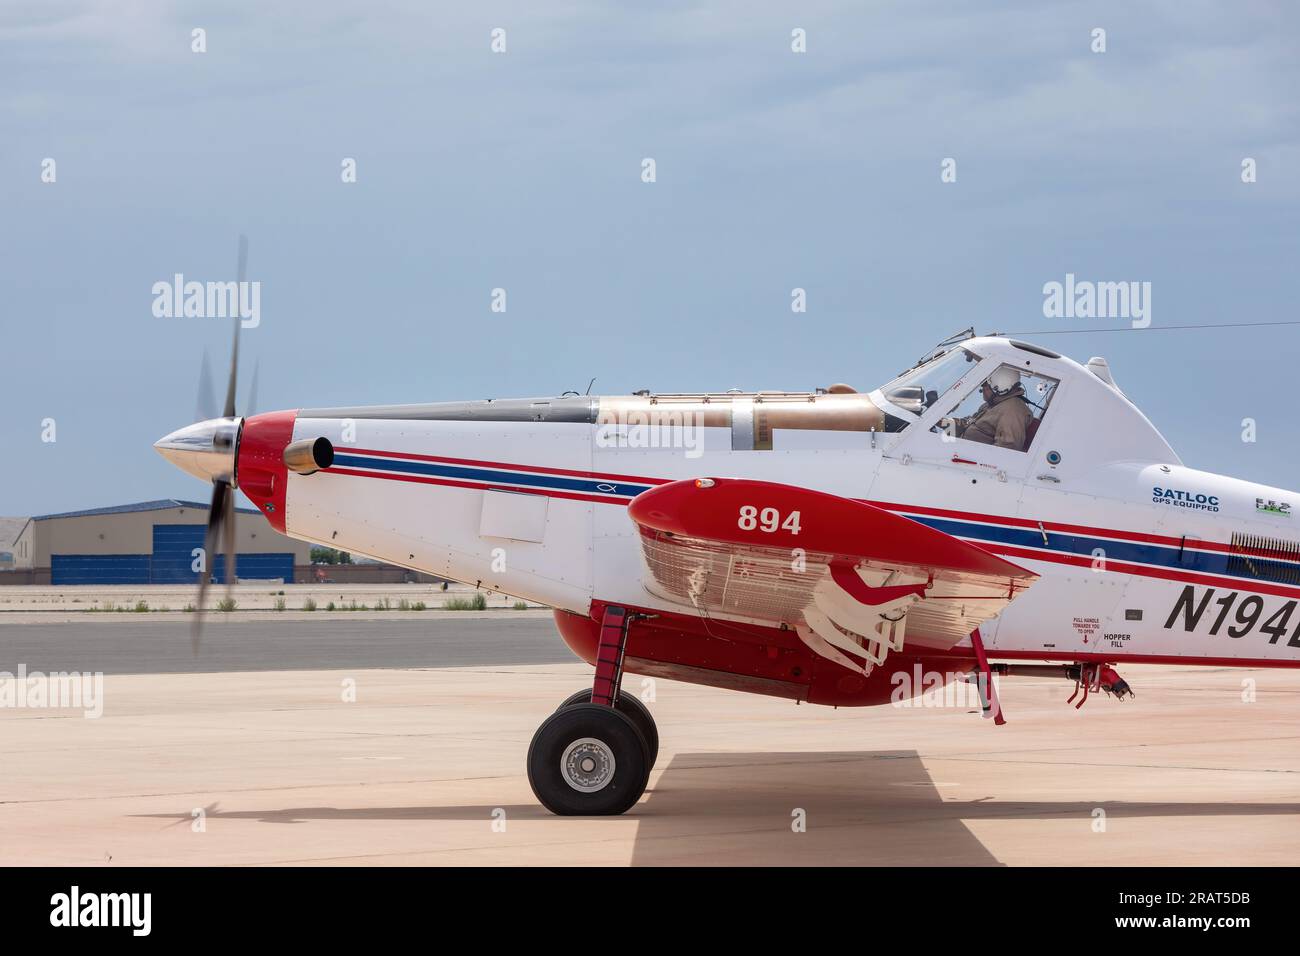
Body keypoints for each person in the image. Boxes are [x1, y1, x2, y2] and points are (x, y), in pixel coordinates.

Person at [939, 366, 1033, 450]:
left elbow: (1006, 450)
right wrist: (939, 421)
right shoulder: (991, 404)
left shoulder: (1012, 410)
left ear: (998, 387)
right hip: (958, 450)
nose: (982, 388)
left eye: (985, 384)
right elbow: (965, 425)